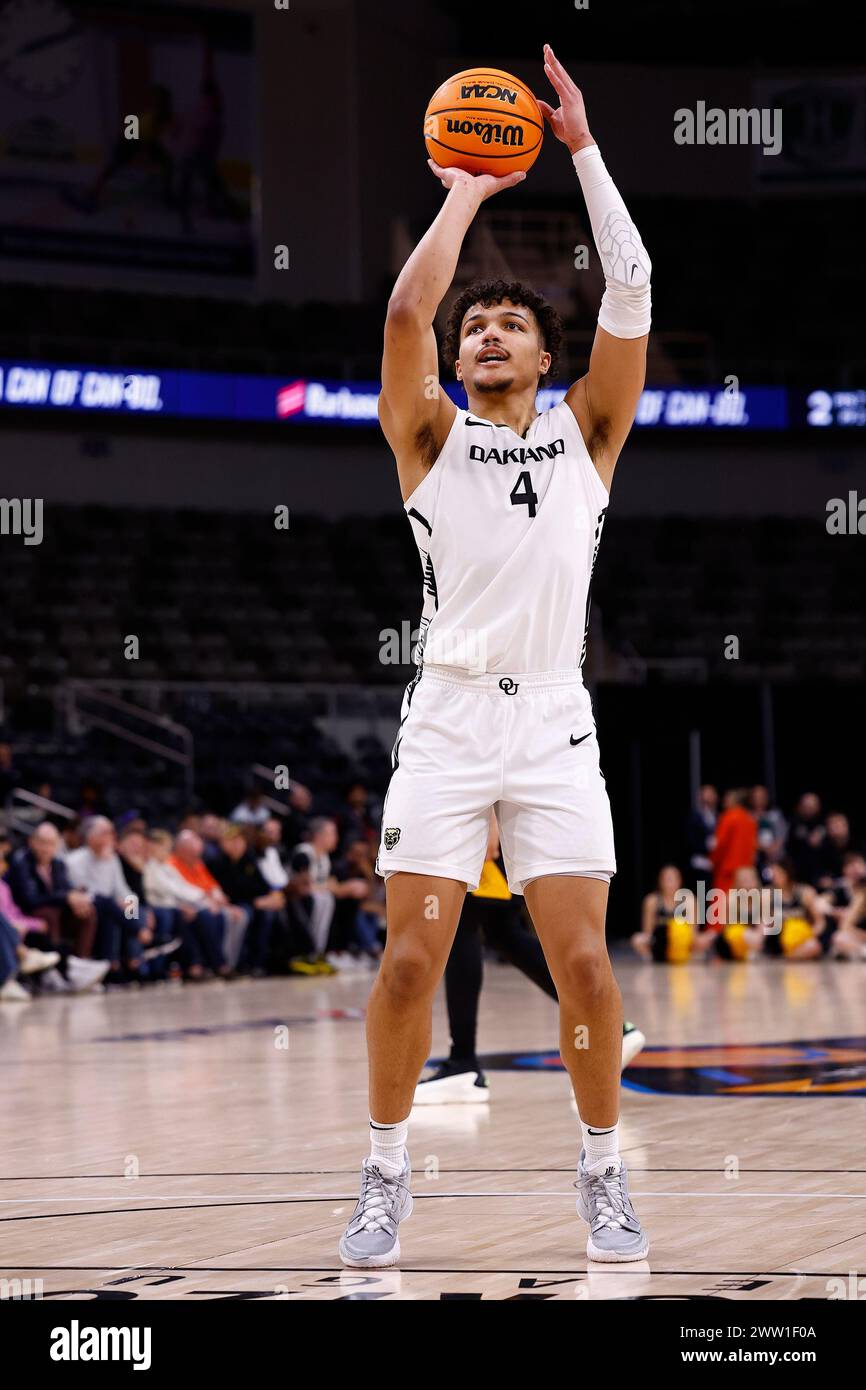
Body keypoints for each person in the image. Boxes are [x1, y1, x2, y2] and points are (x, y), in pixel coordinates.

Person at [339, 45, 652, 1268]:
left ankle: (598, 1175)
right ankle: (382, 1171)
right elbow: (404, 314)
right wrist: (466, 184)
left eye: (509, 321)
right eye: (478, 322)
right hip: (451, 718)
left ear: (540, 359)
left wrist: (576, 148)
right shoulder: (425, 438)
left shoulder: (588, 436)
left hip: (554, 724)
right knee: (412, 957)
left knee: (580, 962)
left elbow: (629, 281)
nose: (484, 329)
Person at [418, 815, 645, 1102]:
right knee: (502, 932)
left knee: (466, 924)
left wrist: (488, 819)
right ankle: (609, 1028)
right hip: (493, 815)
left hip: (482, 814)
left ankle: (464, 1063)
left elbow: (489, 768)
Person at [65, 817, 147, 980]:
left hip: (112, 910)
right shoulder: (74, 860)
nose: (110, 837)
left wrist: (127, 901)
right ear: (90, 837)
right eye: (105, 833)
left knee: (132, 904)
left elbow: (123, 890)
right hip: (90, 905)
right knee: (110, 906)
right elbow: (86, 892)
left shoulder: (112, 859)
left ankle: (129, 961)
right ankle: (138, 932)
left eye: (111, 833)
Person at [6, 820, 97, 959]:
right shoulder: (21, 863)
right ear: (32, 842)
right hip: (25, 911)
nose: (46, 848)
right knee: (50, 913)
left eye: (51, 843)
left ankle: (82, 961)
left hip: (55, 909)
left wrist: (75, 898)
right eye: (42, 842)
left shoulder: (58, 864)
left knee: (89, 911)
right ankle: (59, 963)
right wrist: (68, 897)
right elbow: (30, 900)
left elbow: (65, 890)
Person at [210, 824, 284, 975]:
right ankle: (235, 962)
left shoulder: (249, 858)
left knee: (269, 915)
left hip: (251, 902)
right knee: (245, 914)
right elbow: (232, 890)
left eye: (240, 840)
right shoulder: (218, 862)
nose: (237, 844)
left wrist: (272, 896)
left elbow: (262, 885)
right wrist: (256, 901)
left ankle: (258, 963)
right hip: (232, 904)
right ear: (224, 843)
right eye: (232, 841)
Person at [632, 865, 699, 963]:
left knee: (704, 939)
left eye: (672, 879)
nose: (669, 883)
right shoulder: (652, 900)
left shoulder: (689, 900)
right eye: (667, 879)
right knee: (637, 939)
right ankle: (650, 958)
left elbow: (693, 932)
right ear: (660, 881)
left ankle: (686, 957)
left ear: (679, 880)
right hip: (659, 943)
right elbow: (647, 932)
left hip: (681, 944)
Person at [710, 790, 758, 896]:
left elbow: (719, 844)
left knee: (722, 904)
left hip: (728, 869)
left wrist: (712, 861)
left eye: (727, 797)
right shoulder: (750, 819)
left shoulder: (728, 817)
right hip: (747, 869)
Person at [785, 793, 825, 887]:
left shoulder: (823, 823)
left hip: (821, 871)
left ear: (818, 807)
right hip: (799, 871)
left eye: (811, 806)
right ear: (800, 806)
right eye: (806, 806)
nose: (808, 809)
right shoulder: (793, 823)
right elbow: (790, 847)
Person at [686, 784, 718, 884]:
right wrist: (705, 845)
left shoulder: (720, 816)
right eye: (705, 794)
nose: (707, 798)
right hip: (700, 862)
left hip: (717, 862)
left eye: (710, 794)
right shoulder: (693, 817)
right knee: (702, 890)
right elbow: (689, 839)